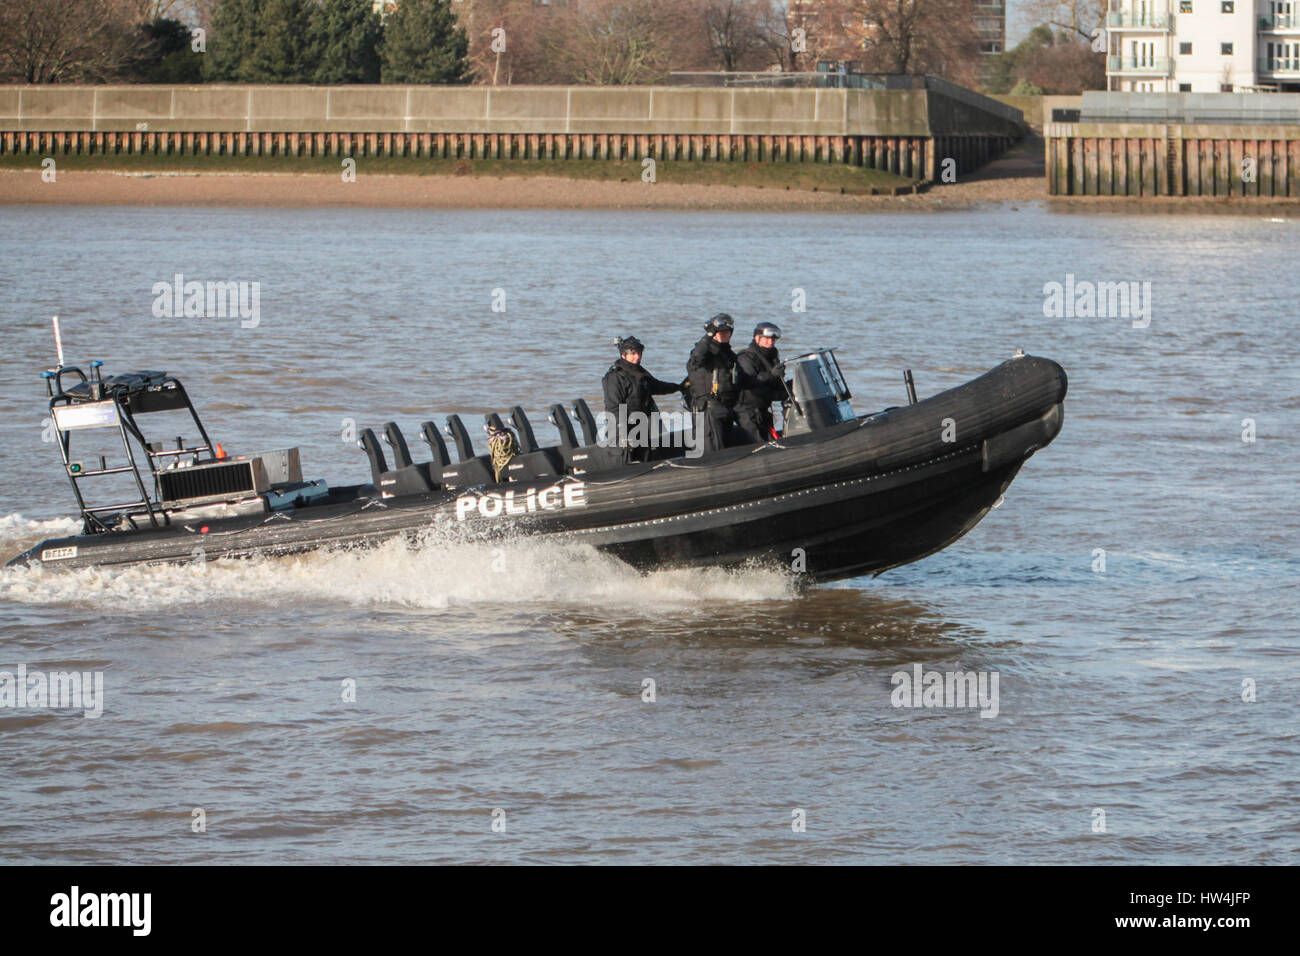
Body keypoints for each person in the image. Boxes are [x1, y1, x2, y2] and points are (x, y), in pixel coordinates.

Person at [602, 335, 683, 462]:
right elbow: (613, 406)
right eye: (633, 354)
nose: (637, 357)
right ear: (623, 355)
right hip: (624, 428)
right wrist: (622, 432)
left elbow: (656, 386)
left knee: (647, 458)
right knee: (629, 460)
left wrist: (679, 387)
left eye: (639, 353)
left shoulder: (639, 372)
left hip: (642, 425)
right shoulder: (615, 377)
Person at [686, 313, 742, 453]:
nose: (724, 335)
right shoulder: (705, 352)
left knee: (727, 446)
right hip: (709, 410)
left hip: (726, 408)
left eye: (727, 332)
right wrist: (708, 335)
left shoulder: (729, 355)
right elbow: (696, 358)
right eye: (720, 332)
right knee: (712, 449)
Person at [734, 322, 786, 445]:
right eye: (767, 339)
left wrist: (787, 389)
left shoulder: (772, 356)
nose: (770, 342)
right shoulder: (746, 357)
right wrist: (772, 376)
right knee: (758, 444)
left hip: (763, 409)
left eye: (773, 339)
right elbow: (751, 382)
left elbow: (775, 383)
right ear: (757, 338)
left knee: (772, 441)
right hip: (747, 410)